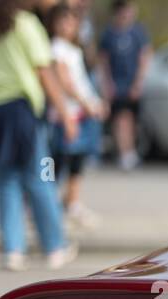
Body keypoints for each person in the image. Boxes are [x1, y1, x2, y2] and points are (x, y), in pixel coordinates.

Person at [0, 0, 78, 271]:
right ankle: (55, 245)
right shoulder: (25, 24)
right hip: (22, 110)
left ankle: (13, 249)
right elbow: (44, 72)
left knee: (7, 180)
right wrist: (66, 115)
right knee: (39, 177)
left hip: (0, 109)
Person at [46, 2, 102, 226]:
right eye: (62, 21)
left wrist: (94, 102)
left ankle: (72, 202)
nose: (67, 26)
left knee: (76, 161)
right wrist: (86, 103)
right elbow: (65, 83)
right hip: (65, 116)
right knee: (58, 161)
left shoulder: (73, 49)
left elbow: (82, 81)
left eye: (71, 21)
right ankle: (47, 206)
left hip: (79, 114)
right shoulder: (56, 48)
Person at [97, 0, 149, 170]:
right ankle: (125, 154)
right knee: (121, 119)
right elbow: (103, 61)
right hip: (116, 85)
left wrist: (138, 83)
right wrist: (106, 83)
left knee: (131, 120)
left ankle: (129, 151)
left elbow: (144, 58)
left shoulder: (138, 32)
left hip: (132, 83)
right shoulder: (109, 34)